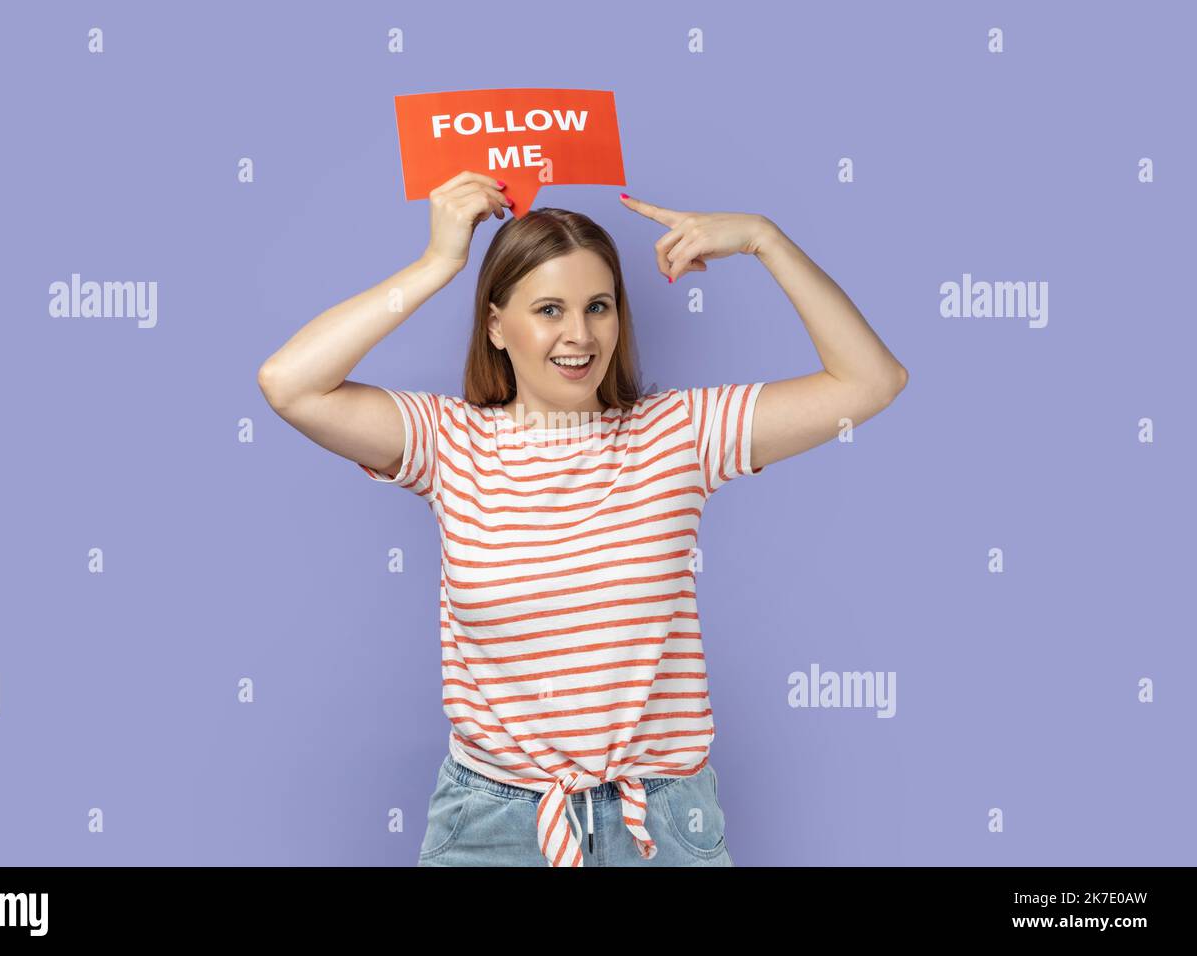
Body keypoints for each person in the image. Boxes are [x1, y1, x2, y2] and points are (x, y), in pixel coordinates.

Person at [257, 170, 908, 866]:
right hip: (492, 822)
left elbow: (870, 381)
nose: (579, 334)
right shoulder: (448, 444)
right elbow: (288, 383)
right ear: (496, 325)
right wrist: (438, 262)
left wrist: (764, 240)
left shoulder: (680, 434)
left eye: (599, 306)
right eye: (548, 310)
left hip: (661, 821)